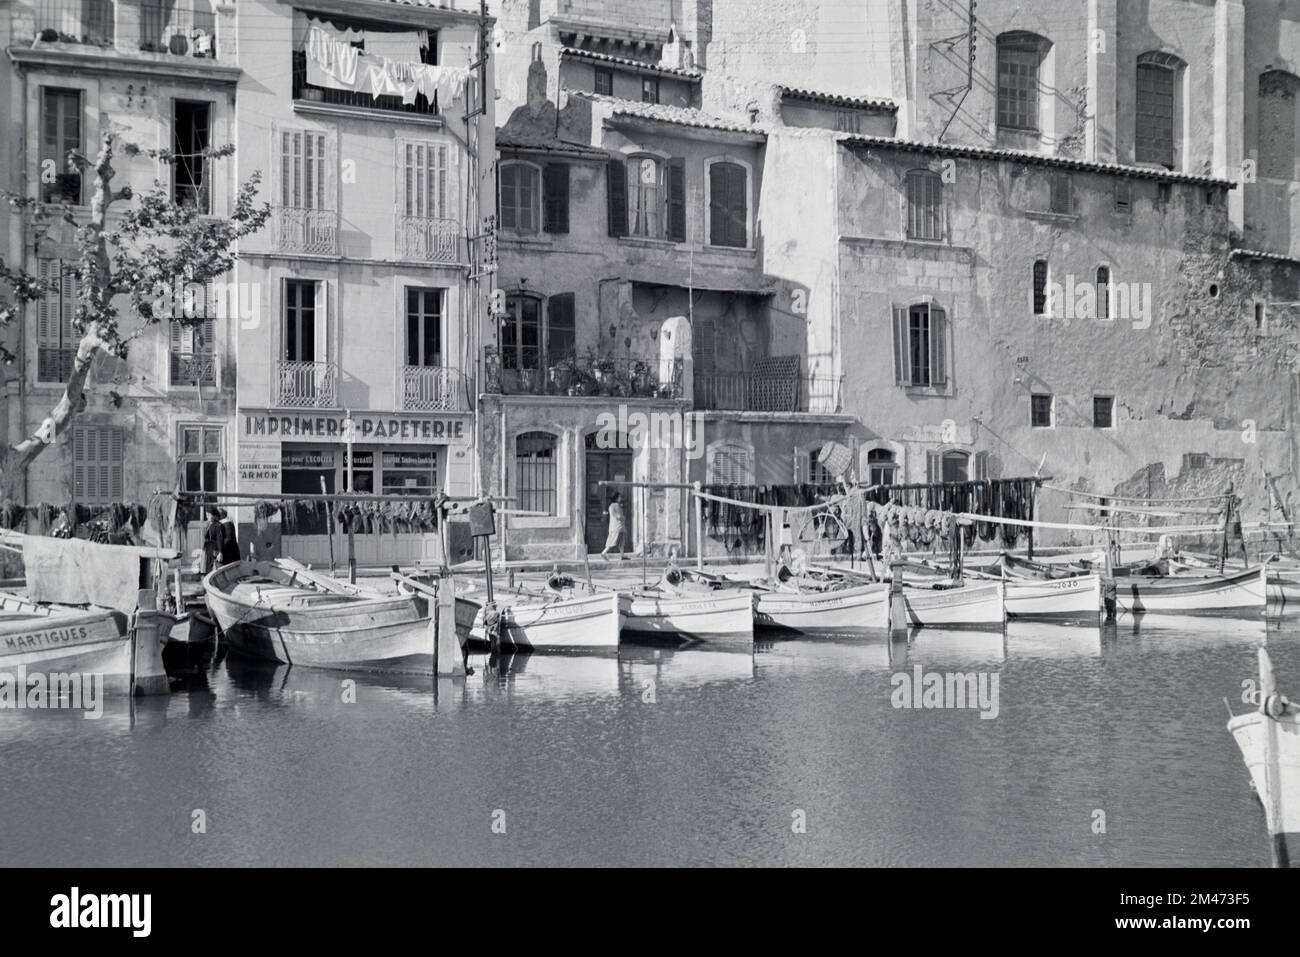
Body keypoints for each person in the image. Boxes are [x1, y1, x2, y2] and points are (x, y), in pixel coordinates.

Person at [600, 492, 627, 560]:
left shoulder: (611, 506)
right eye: (620, 497)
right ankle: (603, 553)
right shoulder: (616, 505)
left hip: (614, 527)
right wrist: (623, 517)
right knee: (615, 541)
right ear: (617, 498)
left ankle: (622, 556)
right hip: (618, 527)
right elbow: (618, 516)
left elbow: (613, 515)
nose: (620, 498)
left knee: (620, 542)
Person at [201, 506, 223, 574]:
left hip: (214, 549)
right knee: (208, 567)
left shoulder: (217, 525)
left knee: (213, 568)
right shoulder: (209, 524)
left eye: (209, 514)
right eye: (206, 514)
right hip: (208, 549)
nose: (207, 516)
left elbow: (219, 539)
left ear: (214, 515)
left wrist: (220, 552)